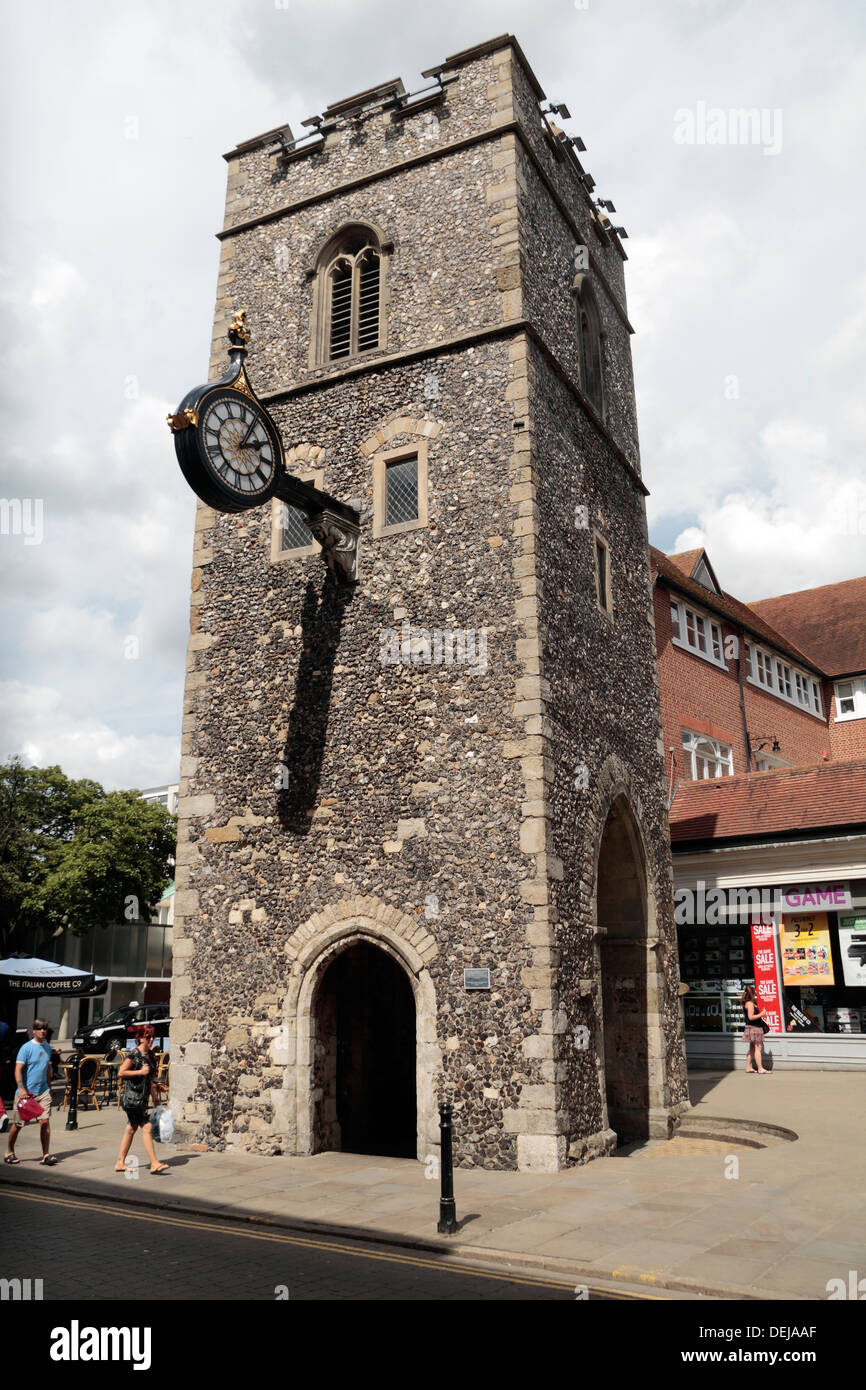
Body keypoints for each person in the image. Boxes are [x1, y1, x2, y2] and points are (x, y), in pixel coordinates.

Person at [114, 1024, 169, 1176]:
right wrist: (139, 1071)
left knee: (131, 1128)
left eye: (153, 1037)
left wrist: (155, 1097)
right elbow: (121, 1072)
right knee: (147, 1128)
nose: (151, 1040)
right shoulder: (134, 1054)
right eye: (148, 1037)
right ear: (140, 1038)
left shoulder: (150, 1056)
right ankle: (154, 1163)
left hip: (141, 1100)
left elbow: (149, 1079)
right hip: (132, 1099)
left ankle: (120, 1162)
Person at [5, 1019, 57, 1164]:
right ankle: (9, 1151)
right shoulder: (26, 1048)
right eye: (39, 1028)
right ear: (33, 1030)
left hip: (43, 1092)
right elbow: (18, 1070)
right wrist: (21, 1089)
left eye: (45, 1028)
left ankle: (46, 1155)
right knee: (18, 1124)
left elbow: (46, 1068)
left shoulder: (47, 1047)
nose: (43, 1031)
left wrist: (49, 1086)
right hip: (26, 1094)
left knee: (45, 1122)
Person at [742, 986, 770, 1073]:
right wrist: (761, 1014)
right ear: (752, 993)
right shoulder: (750, 1004)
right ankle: (760, 1068)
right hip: (755, 1028)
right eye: (755, 992)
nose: (756, 994)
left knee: (752, 1049)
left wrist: (761, 1015)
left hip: (751, 1027)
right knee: (758, 1048)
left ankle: (748, 1067)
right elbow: (751, 1017)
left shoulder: (748, 1003)